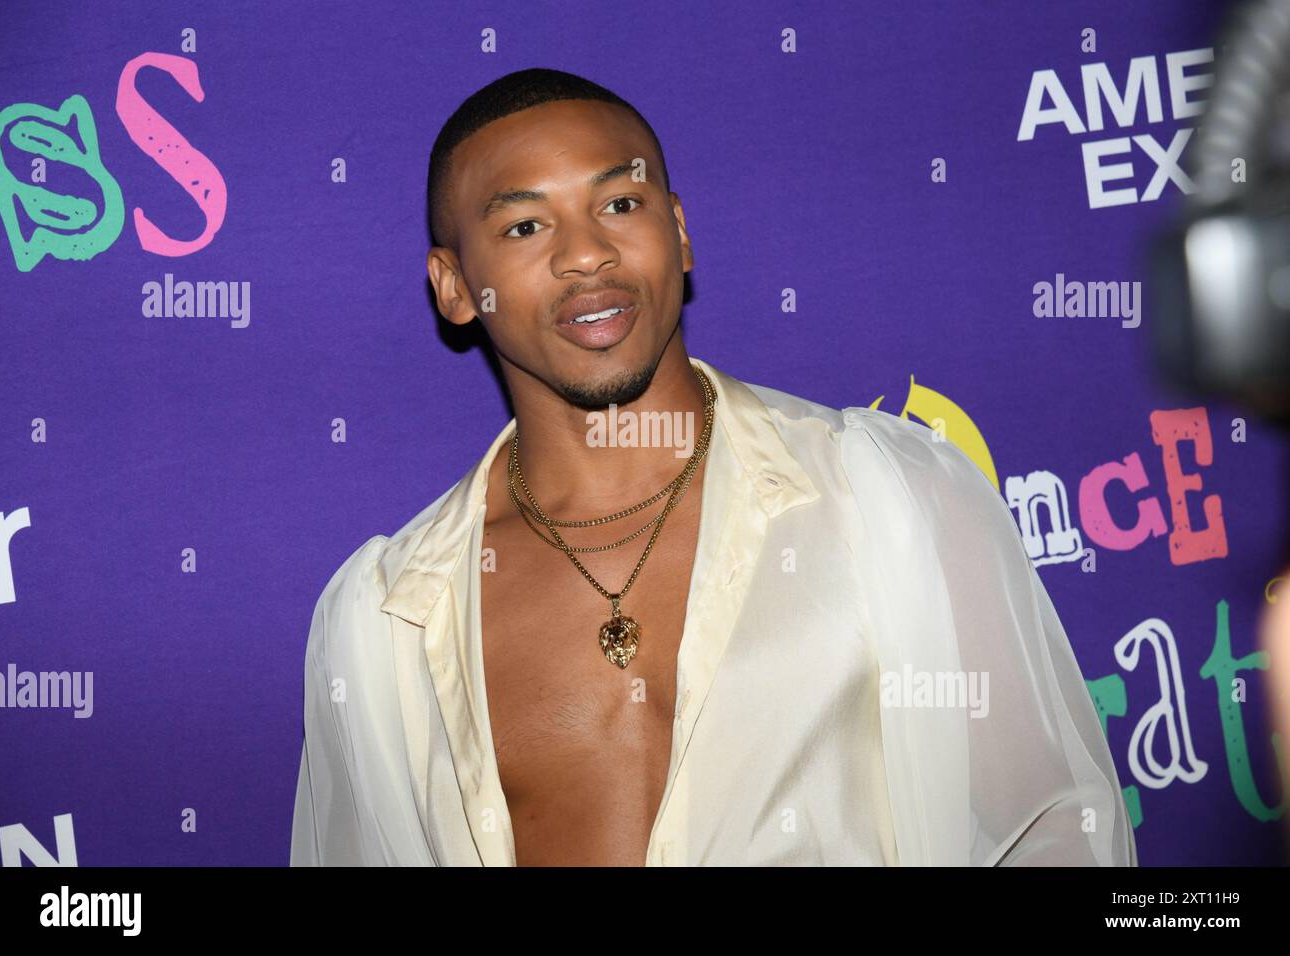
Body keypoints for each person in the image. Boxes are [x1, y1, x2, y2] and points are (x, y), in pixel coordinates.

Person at [289, 67, 1138, 867]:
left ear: (680, 231)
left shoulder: (892, 497)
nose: (586, 253)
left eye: (620, 202)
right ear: (453, 285)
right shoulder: (385, 621)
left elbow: (1052, 832)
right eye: (524, 225)